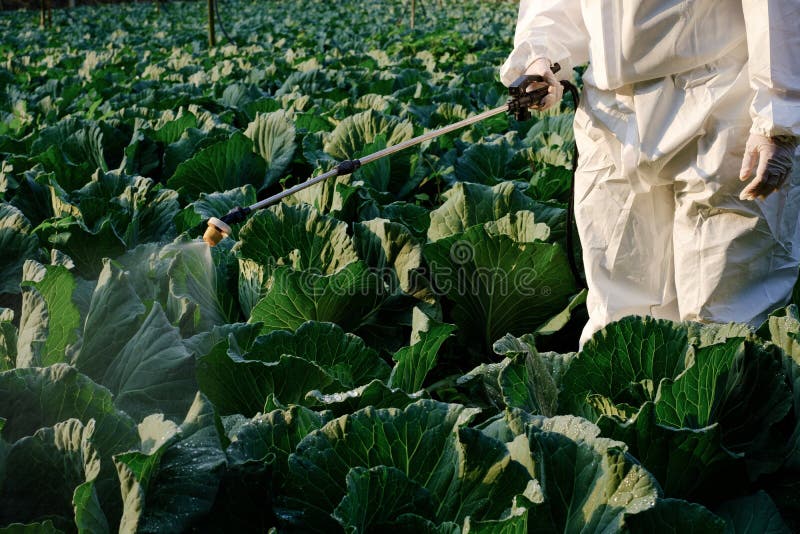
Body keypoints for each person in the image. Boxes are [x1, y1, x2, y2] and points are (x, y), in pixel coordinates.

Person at [500, 1, 800, 347]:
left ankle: (719, 396)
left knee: (726, 308)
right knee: (619, 302)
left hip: (722, 98)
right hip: (611, 110)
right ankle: (625, 399)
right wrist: (541, 58)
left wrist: (777, 118)